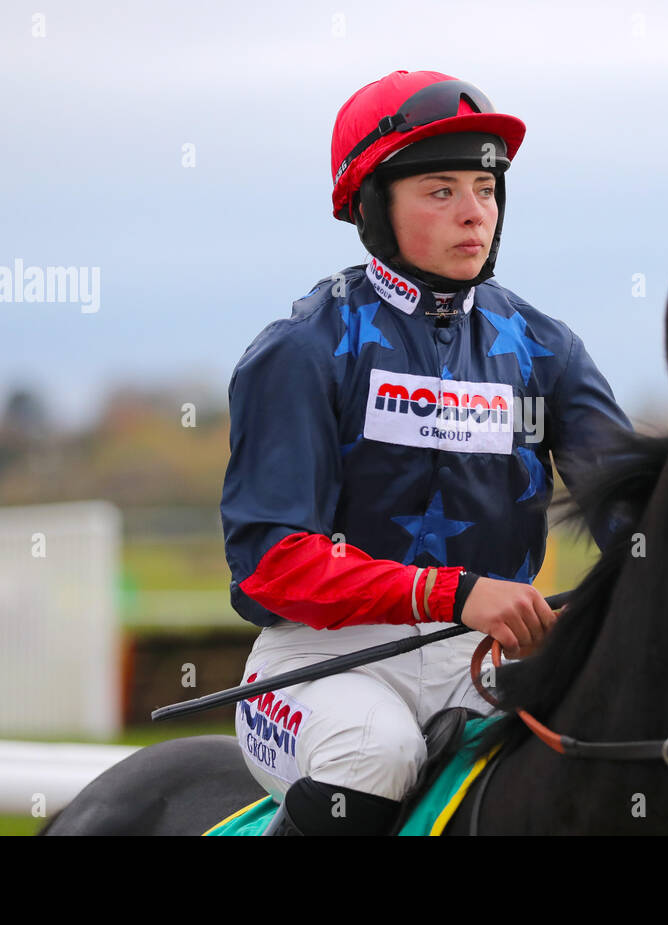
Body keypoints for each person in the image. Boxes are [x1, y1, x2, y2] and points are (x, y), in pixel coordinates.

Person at [222, 69, 632, 835]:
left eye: (485, 186)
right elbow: (271, 565)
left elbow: (632, 516)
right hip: (318, 666)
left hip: (483, 661)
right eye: (440, 191)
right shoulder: (303, 351)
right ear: (373, 205)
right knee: (374, 754)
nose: (474, 213)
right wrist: (453, 592)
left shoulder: (546, 350)